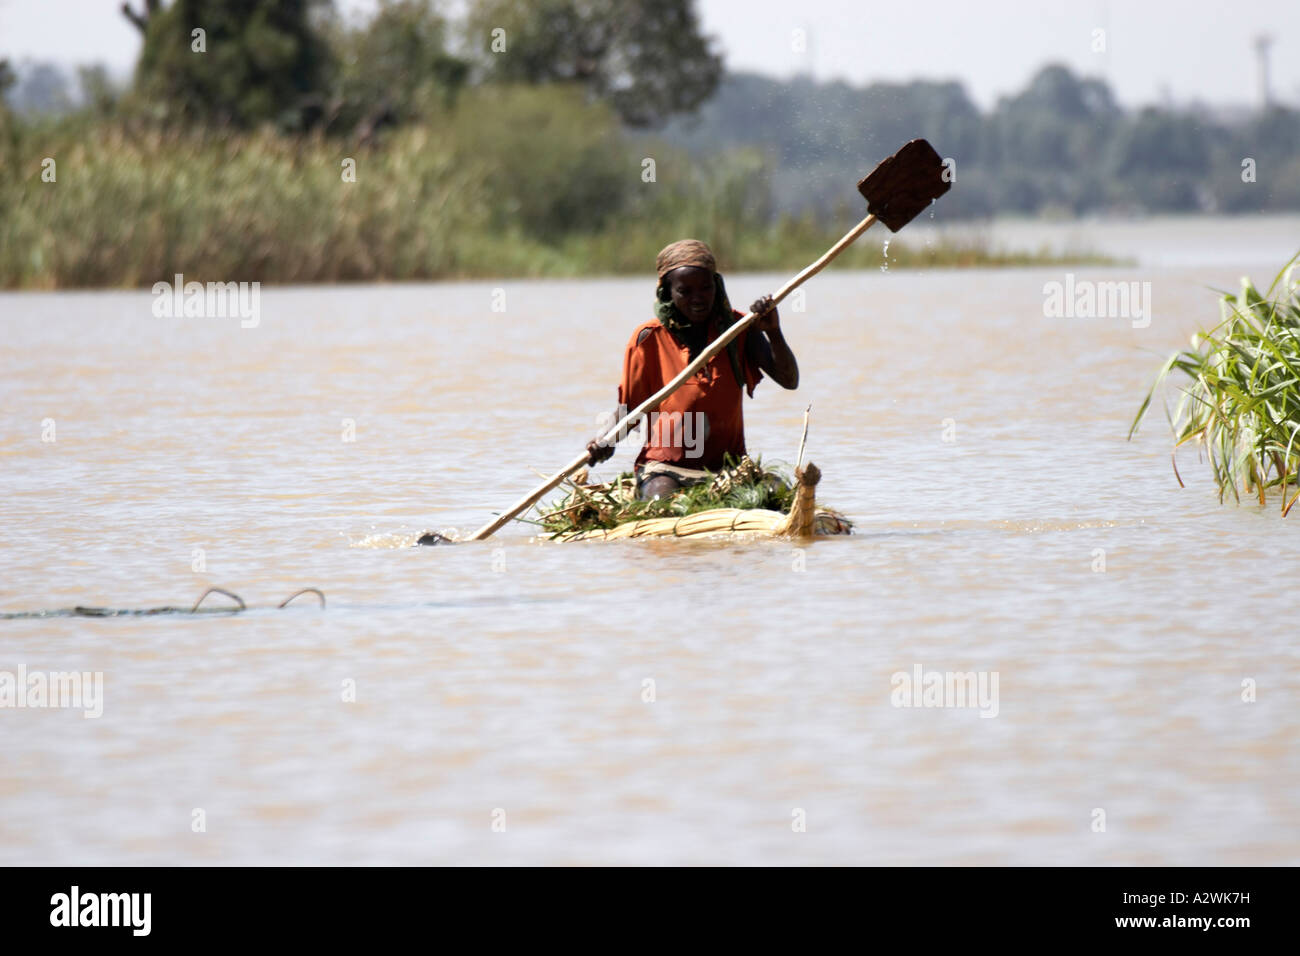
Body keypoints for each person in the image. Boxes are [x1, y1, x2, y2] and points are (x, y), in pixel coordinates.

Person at [585, 239, 799, 500]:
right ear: (667, 293)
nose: (698, 299)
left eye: (705, 288)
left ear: (717, 287)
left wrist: (773, 332)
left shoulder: (738, 330)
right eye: (685, 291)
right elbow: (630, 410)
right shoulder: (647, 339)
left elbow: (790, 381)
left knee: (779, 494)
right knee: (660, 501)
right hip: (667, 467)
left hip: (729, 468)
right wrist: (605, 441)